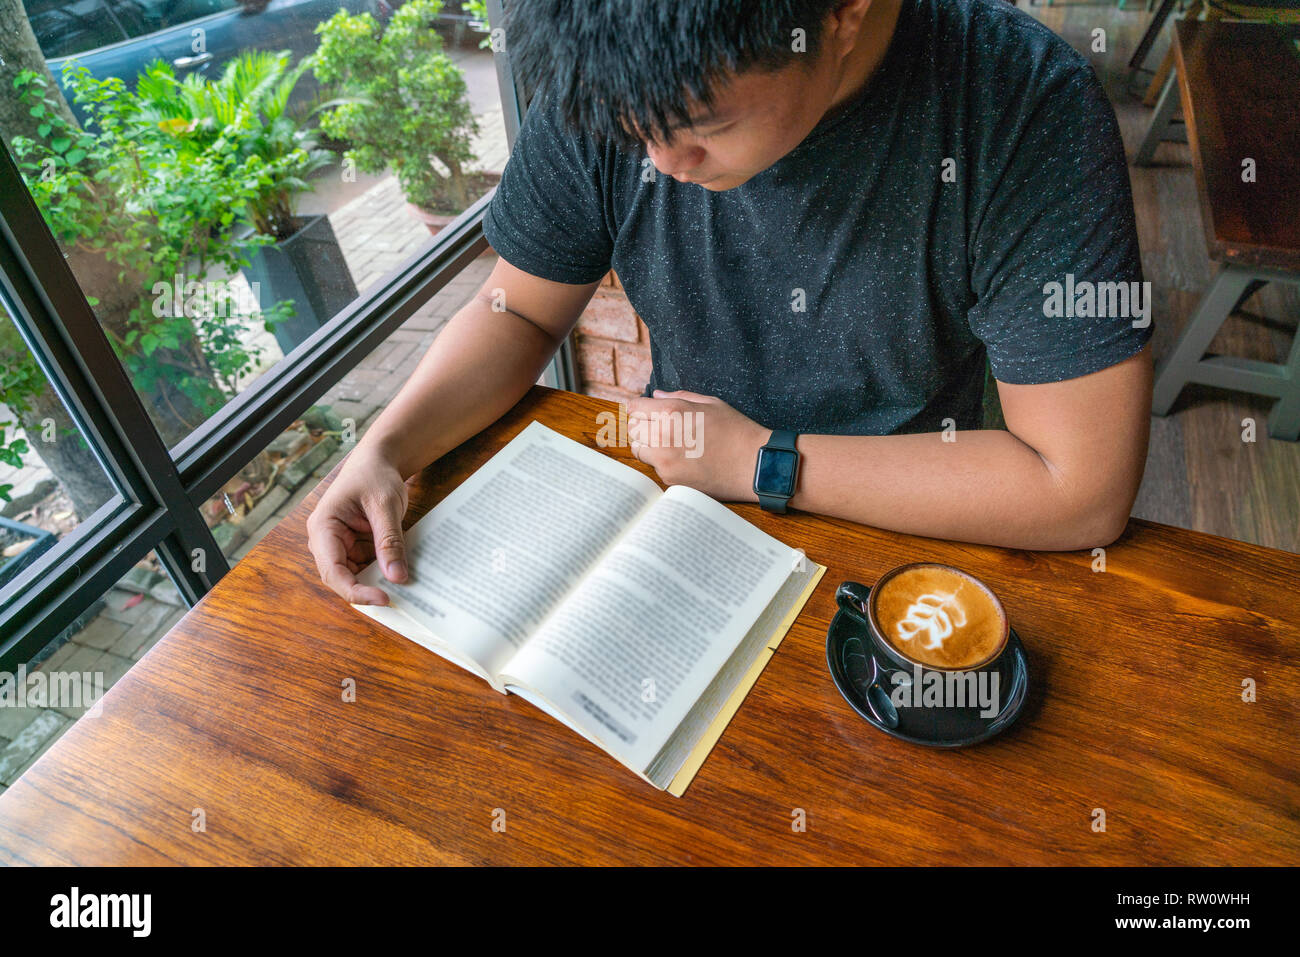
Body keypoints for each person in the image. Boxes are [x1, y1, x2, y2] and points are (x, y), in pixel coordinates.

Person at [308, 0, 1153, 606]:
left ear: (843, 15)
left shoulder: (1020, 106)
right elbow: (519, 313)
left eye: (701, 124)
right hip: (684, 527)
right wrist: (389, 445)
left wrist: (760, 459)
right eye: (629, 130)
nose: (662, 161)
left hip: (914, 541)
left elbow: (1078, 486)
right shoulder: (616, 69)